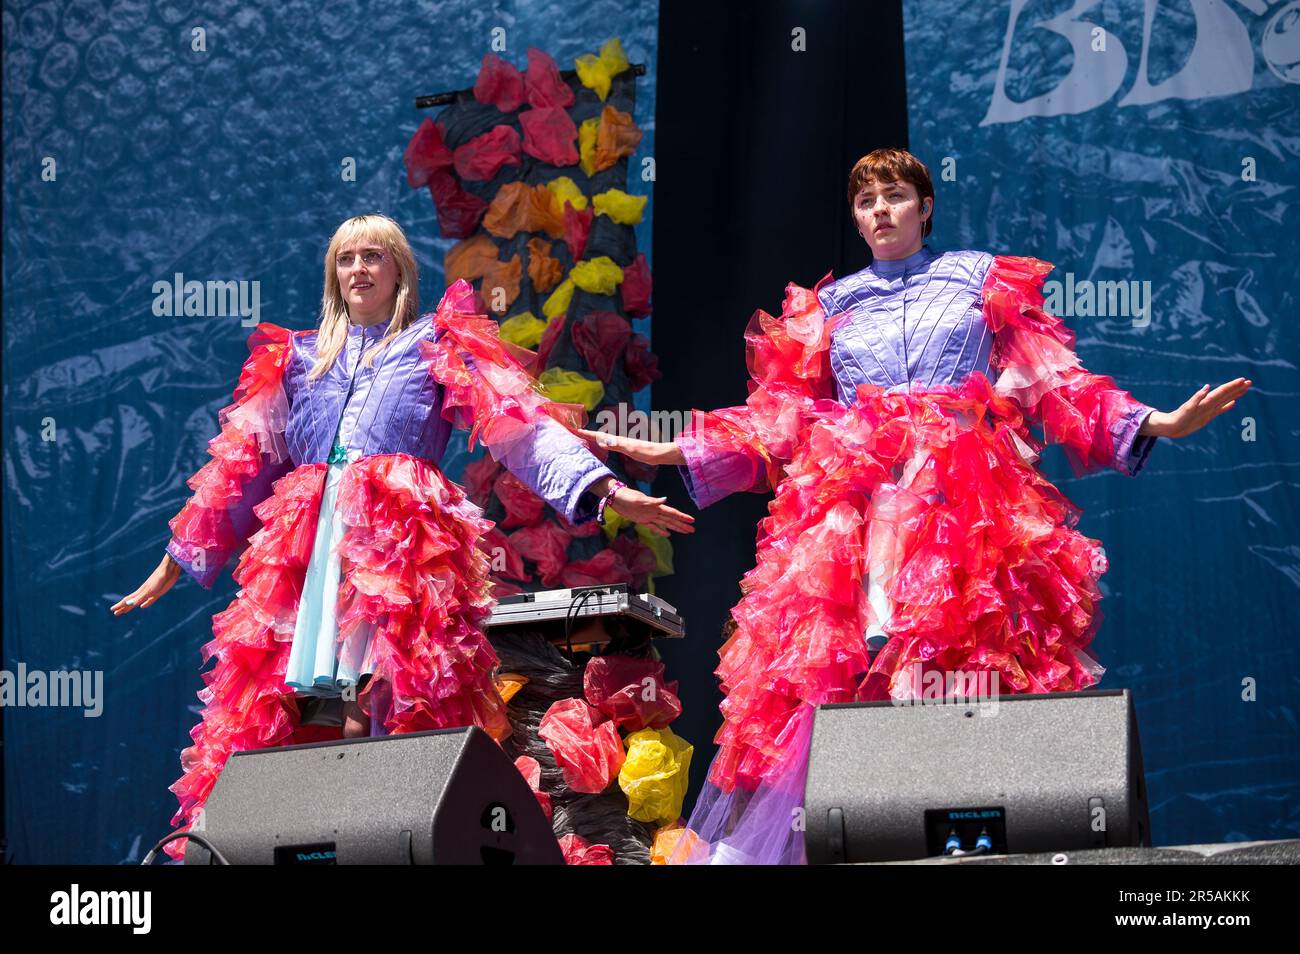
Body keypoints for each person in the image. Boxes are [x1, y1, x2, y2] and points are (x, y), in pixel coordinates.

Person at [582, 148, 1250, 865]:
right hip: (854, 508)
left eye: (896, 196)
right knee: (832, 666)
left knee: (968, 654)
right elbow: (779, 420)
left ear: (925, 206)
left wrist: (1155, 422)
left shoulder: (981, 280)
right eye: (867, 201)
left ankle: (977, 837)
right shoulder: (826, 310)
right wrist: (672, 446)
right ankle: (831, 839)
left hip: (963, 498)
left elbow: (1055, 384)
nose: (880, 212)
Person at [112, 213, 693, 859]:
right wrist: (176, 560)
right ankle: (311, 844)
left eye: (372, 257)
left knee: (382, 697)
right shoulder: (298, 358)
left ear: (398, 270)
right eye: (346, 259)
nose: (358, 270)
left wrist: (605, 490)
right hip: (307, 545)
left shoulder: (434, 344)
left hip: (397, 543)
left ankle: (380, 842)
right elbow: (240, 468)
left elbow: (518, 429)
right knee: (302, 705)